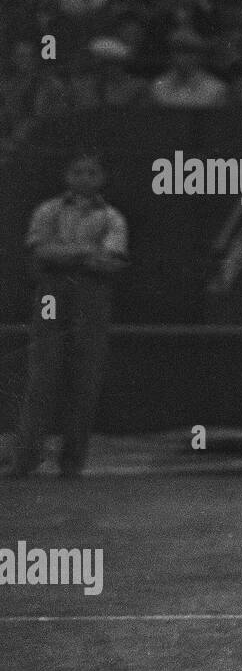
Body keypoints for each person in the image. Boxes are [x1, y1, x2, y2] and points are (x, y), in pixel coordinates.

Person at [7, 152, 128, 478]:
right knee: (42, 378)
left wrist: (66, 255)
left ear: (101, 178)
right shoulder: (49, 211)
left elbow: (113, 262)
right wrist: (88, 252)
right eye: (78, 171)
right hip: (51, 296)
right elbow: (41, 251)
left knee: (84, 379)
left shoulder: (113, 217)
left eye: (91, 172)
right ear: (67, 176)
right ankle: (24, 462)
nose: (84, 178)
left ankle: (72, 464)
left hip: (92, 298)